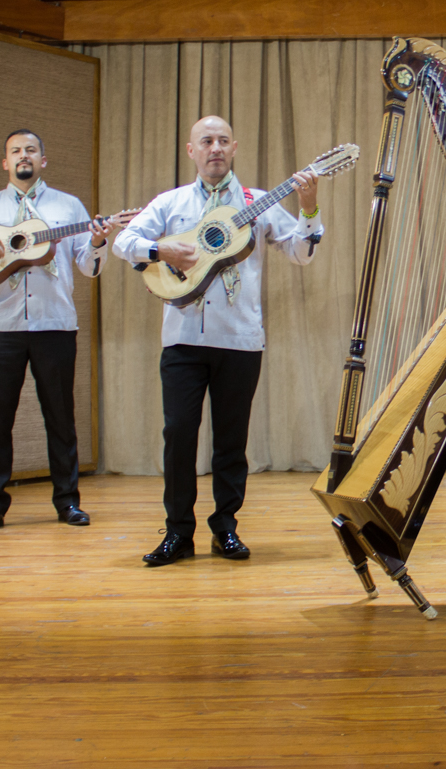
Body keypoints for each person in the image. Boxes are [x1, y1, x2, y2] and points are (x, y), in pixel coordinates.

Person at [114, 116, 322, 567]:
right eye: (206, 141)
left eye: (223, 140)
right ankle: (177, 533)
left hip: (240, 340)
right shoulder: (170, 202)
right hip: (182, 340)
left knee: (231, 441)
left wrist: (309, 209)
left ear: (234, 148)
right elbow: (123, 242)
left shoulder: (257, 202)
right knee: (178, 436)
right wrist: (161, 250)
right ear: (191, 150)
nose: (215, 148)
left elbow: (301, 254)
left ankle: (225, 528)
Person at [0, 129, 119, 534]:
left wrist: (99, 241)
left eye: (31, 150)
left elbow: (89, 268)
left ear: (42, 160)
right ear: (5, 162)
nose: (23, 156)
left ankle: (68, 502)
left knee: (61, 417)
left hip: (55, 324)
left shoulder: (69, 207)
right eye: (15, 151)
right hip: (0, 327)